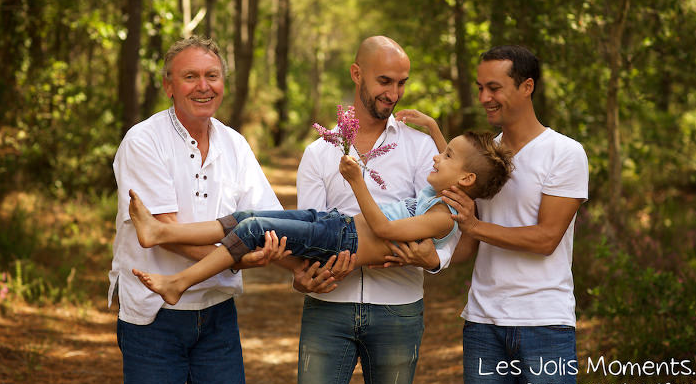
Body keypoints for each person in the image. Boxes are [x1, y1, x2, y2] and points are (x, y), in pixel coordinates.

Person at [108, 36, 285, 384]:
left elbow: (269, 222)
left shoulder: (234, 144)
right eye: (190, 77)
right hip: (153, 315)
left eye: (212, 75)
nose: (203, 86)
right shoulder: (144, 140)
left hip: (217, 313)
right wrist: (243, 259)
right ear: (169, 86)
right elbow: (168, 233)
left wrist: (287, 260)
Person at [127, 131, 512, 306]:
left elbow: (384, 229)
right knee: (245, 215)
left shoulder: (442, 219)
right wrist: (431, 128)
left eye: (444, 155)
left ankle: (178, 283)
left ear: (464, 179)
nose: (435, 156)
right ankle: (161, 230)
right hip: (336, 224)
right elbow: (464, 163)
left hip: (342, 241)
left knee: (254, 230)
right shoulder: (439, 195)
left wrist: (358, 181)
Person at [294, 35, 459, 384]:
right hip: (329, 306)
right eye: (385, 81)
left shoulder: (420, 149)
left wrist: (434, 258)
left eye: (402, 83)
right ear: (357, 74)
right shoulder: (319, 152)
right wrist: (302, 273)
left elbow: (452, 209)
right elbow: (310, 232)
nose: (395, 93)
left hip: (398, 309)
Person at [441, 45, 589, 384]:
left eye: (494, 87)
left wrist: (476, 224)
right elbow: (466, 245)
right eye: (480, 88)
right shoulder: (484, 157)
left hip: (545, 324)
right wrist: (417, 257)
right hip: (483, 324)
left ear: (527, 87)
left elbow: (545, 239)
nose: (484, 98)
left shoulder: (564, 153)